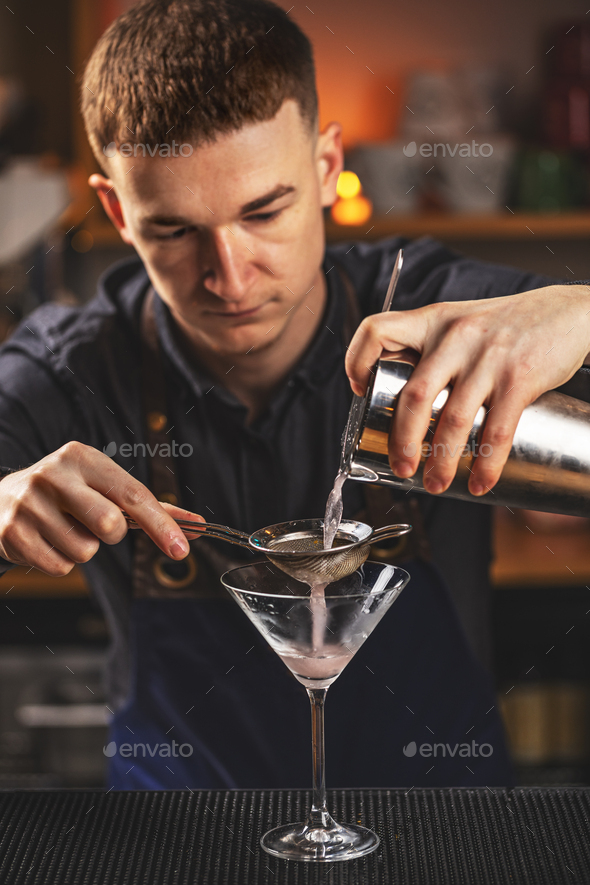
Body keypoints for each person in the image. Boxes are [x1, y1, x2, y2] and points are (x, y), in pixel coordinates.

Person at [0, 0, 588, 790]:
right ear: (116, 211)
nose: (230, 275)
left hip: (444, 827)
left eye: (264, 210)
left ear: (324, 166)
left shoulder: (441, 308)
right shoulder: (69, 367)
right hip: (169, 839)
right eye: (174, 231)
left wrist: (581, 309)